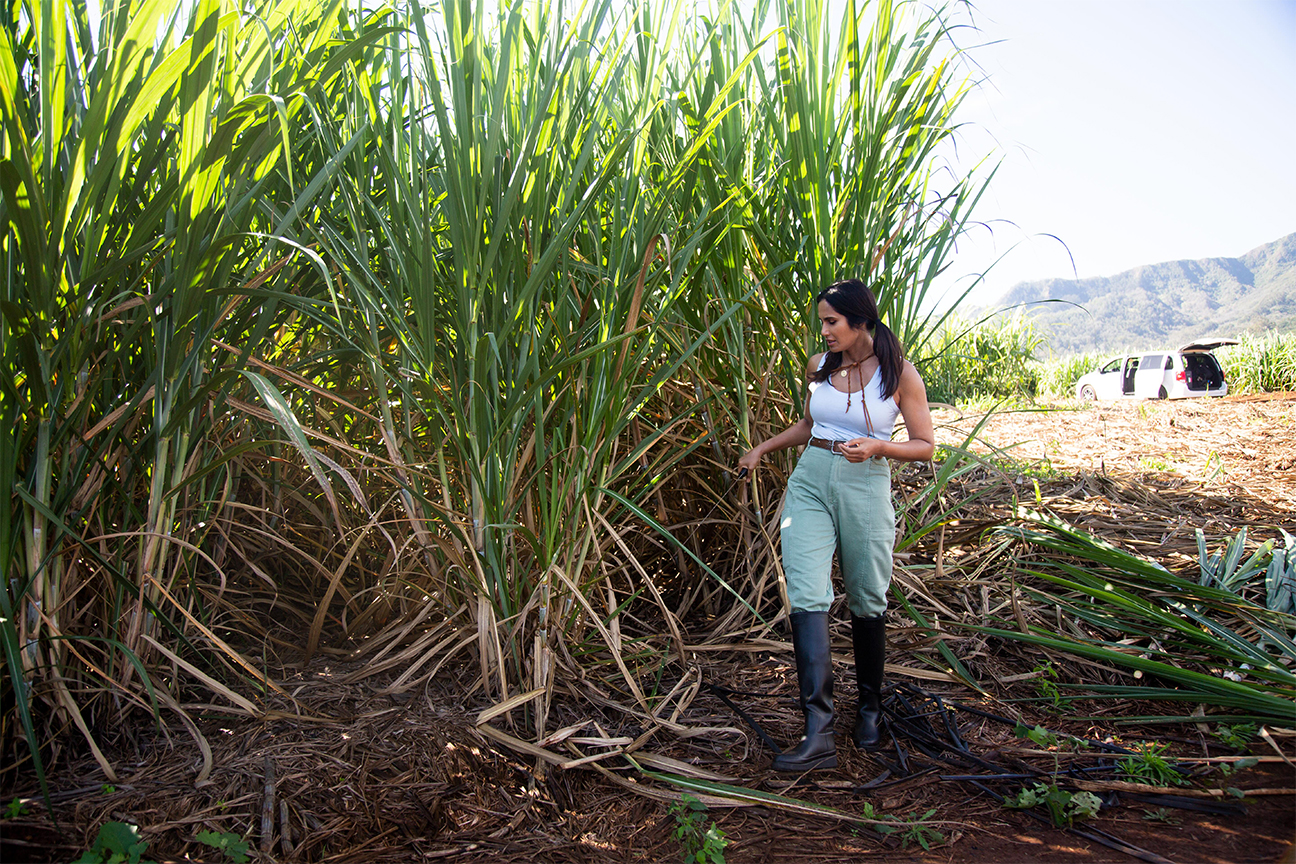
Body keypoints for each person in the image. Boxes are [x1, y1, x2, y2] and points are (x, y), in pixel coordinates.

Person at [737, 278, 935, 771]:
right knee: (806, 591)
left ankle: (868, 710)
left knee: (868, 595)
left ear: (861, 321)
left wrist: (878, 446)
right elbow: (810, 424)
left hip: (864, 481)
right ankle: (818, 732)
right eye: (822, 321)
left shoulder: (899, 374)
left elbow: (925, 445)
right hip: (810, 478)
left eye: (832, 322)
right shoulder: (820, 366)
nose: (823, 331)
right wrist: (763, 448)